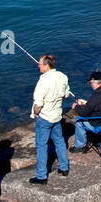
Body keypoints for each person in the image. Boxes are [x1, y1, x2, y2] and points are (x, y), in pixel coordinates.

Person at [30, 54, 71, 184]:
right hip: (57, 116)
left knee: (41, 146)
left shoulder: (43, 81)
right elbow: (66, 94)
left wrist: (36, 114)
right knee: (59, 140)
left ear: (47, 66)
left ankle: (41, 176)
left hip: (45, 117)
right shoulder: (63, 76)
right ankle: (64, 167)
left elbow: (38, 104)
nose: (38, 65)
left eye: (40, 63)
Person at [72, 71, 101, 156]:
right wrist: (86, 103)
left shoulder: (96, 95)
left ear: (93, 82)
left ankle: (80, 146)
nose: (90, 84)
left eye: (91, 83)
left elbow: (84, 113)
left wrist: (76, 106)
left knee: (79, 122)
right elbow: (100, 104)